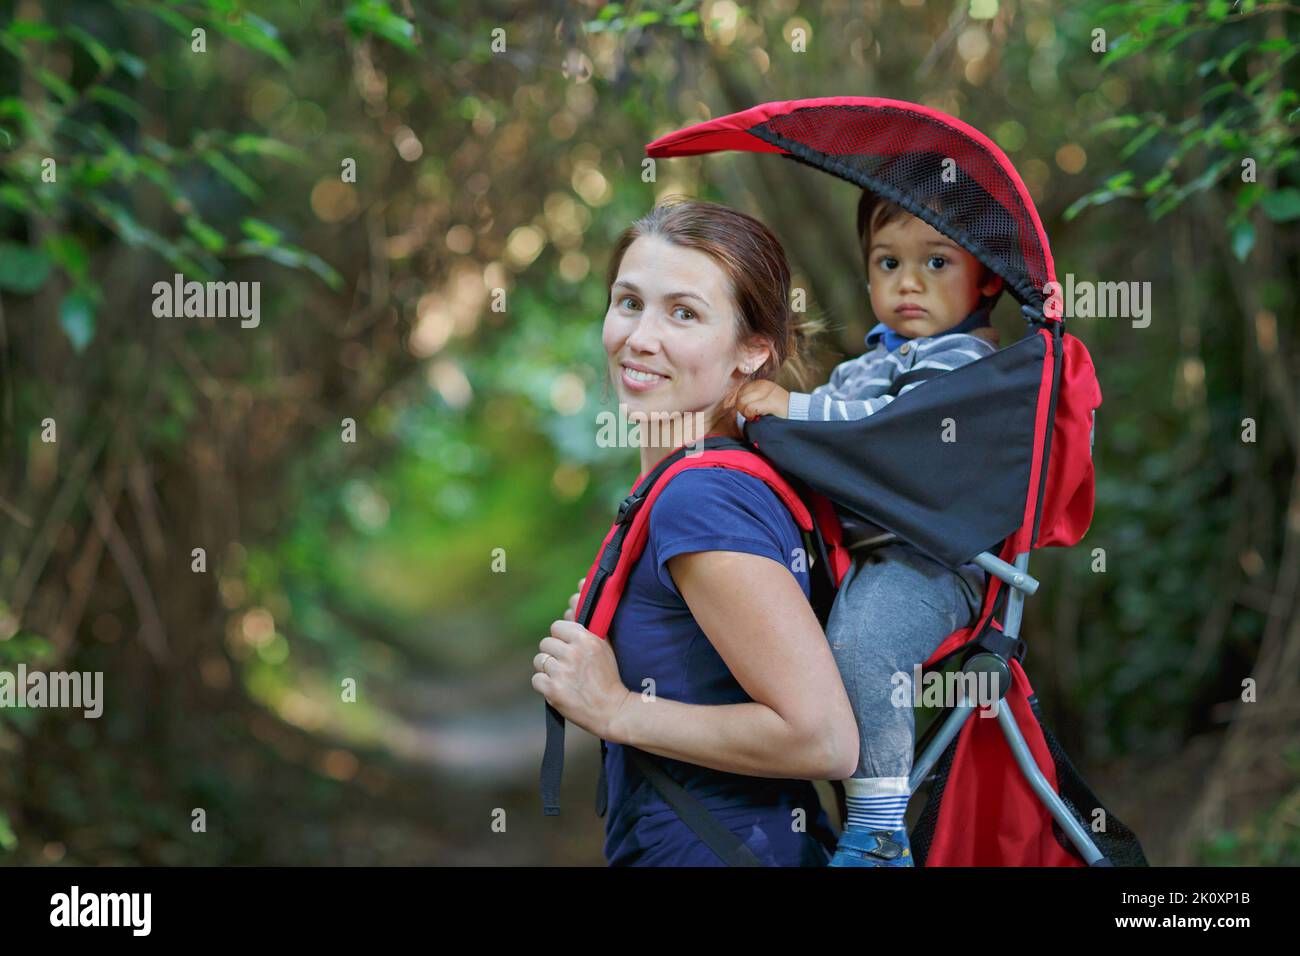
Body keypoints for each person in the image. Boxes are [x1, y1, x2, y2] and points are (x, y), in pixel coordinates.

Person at [531, 196, 859, 866]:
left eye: (683, 313)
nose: (640, 337)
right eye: (628, 302)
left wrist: (617, 708)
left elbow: (823, 738)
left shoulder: (700, 497)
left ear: (751, 351)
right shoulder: (704, 477)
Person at [735, 189, 1004, 866]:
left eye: (936, 263)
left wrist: (790, 408)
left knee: (861, 648)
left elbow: (886, 435)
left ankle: (880, 836)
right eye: (887, 263)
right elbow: (828, 414)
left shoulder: (965, 365)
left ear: (987, 278)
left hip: (938, 566)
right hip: (870, 558)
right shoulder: (869, 365)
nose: (907, 282)